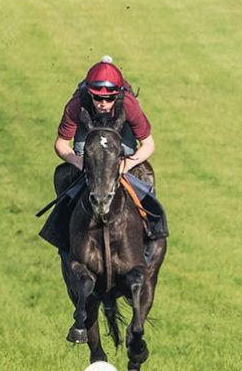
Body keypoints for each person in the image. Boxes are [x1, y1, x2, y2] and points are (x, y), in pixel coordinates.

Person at [39, 56, 167, 251]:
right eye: (98, 97)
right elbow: (61, 144)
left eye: (109, 98)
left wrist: (125, 165)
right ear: (89, 93)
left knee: (140, 169)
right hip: (87, 127)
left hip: (120, 130)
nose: (103, 103)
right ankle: (63, 232)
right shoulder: (75, 106)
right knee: (76, 166)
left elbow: (148, 144)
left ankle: (150, 231)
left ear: (117, 95)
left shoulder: (129, 106)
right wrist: (79, 161)